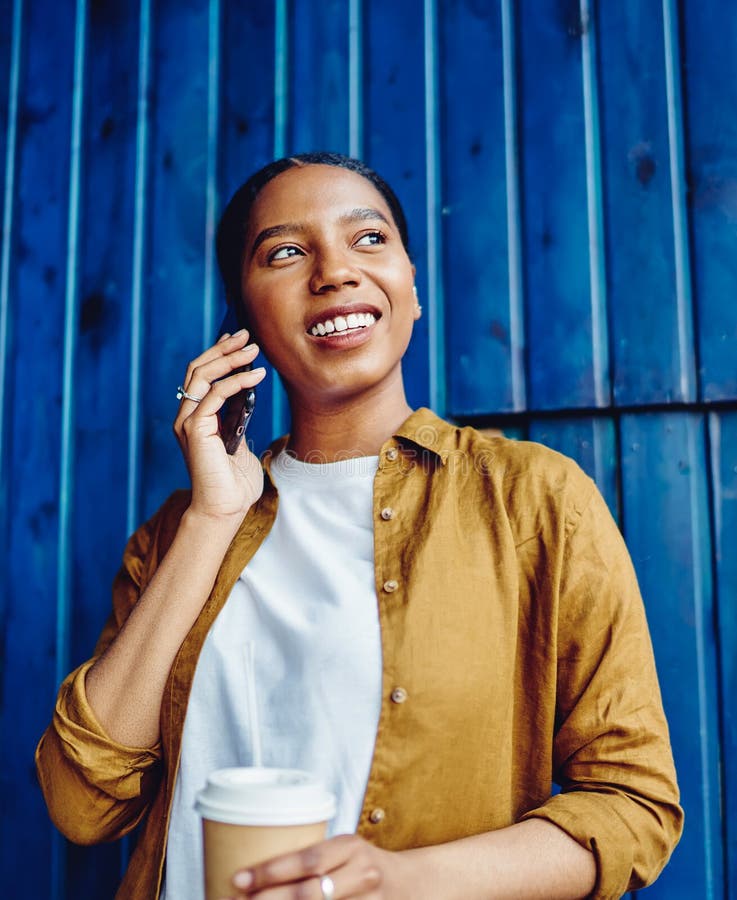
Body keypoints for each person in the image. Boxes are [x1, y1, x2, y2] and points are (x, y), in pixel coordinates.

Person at [36, 152, 683, 900]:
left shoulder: (534, 500)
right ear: (243, 320)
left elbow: (632, 806)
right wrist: (213, 517)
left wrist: (403, 879)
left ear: (412, 288)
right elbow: (80, 804)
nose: (336, 271)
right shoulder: (175, 535)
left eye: (368, 238)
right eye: (285, 252)